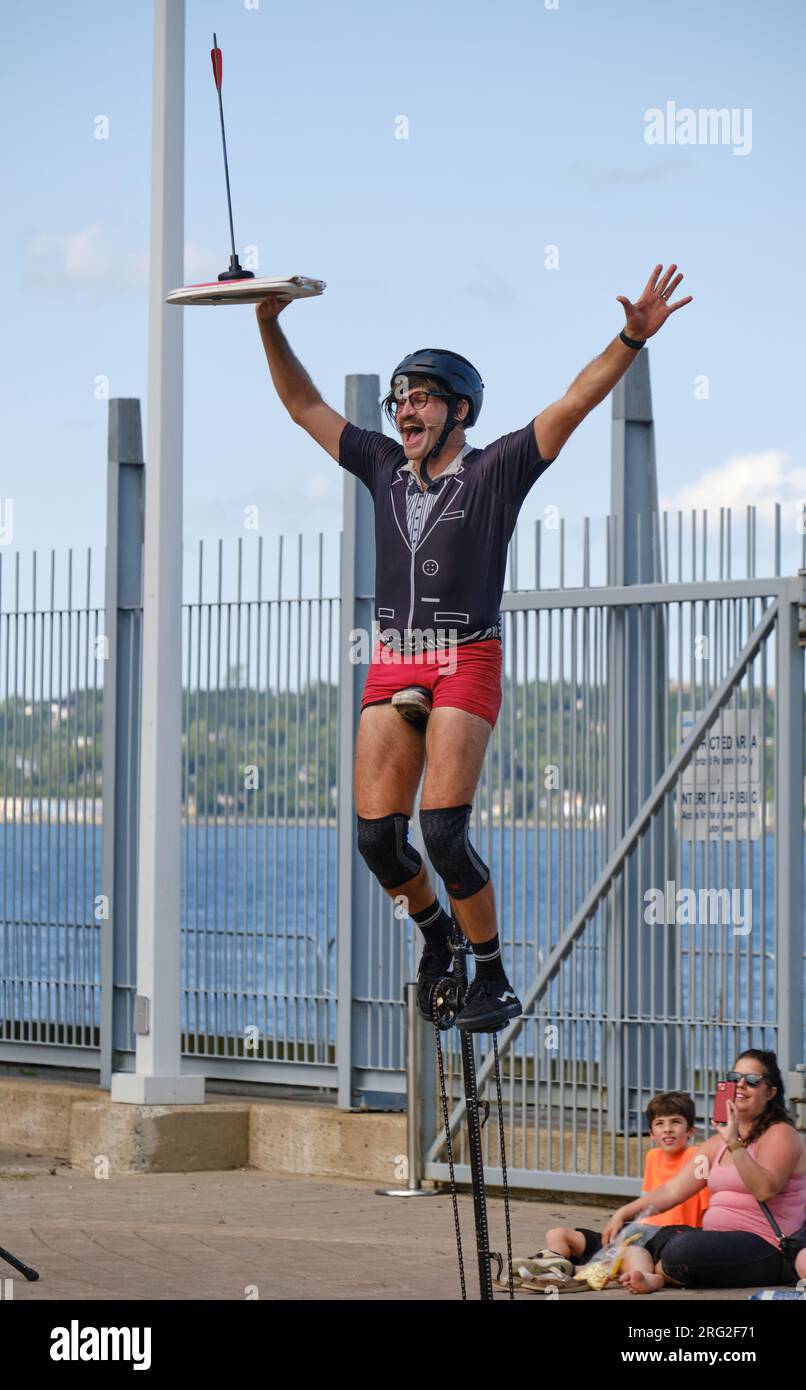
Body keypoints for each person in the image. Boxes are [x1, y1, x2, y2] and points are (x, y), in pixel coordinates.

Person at [256, 266, 692, 1031]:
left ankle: (492, 974)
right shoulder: (384, 466)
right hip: (395, 655)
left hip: (467, 656)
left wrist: (630, 338)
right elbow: (301, 405)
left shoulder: (495, 470)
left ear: (460, 409)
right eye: (399, 399)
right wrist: (269, 322)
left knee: (444, 832)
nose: (403, 410)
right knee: (378, 842)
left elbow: (576, 400)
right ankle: (436, 934)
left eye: (420, 397)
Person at [599, 1050, 806, 1292]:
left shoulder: (780, 1134)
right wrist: (623, 1213)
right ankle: (653, 1269)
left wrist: (734, 1144)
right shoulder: (714, 1144)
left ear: (770, 1092)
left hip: (766, 1246)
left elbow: (765, 1189)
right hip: (715, 1240)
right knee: (637, 1231)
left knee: (681, 1248)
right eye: (733, 1077)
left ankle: (653, 1268)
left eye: (751, 1080)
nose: (740, 1085)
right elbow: (673, 1190)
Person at [527, 1091, 709, 1287]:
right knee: (557, 1234)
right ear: (651, 1133)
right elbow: (646, 1205)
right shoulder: (653, 1156)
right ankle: (553, 1262)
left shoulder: (697, 1158)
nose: (667, 1129)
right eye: (660, 1123)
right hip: (635, 1232)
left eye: (675, 1122)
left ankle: (645, 1278)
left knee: (633, 1254)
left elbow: (707, 1212)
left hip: (666, 1241)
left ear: (691, 1131)